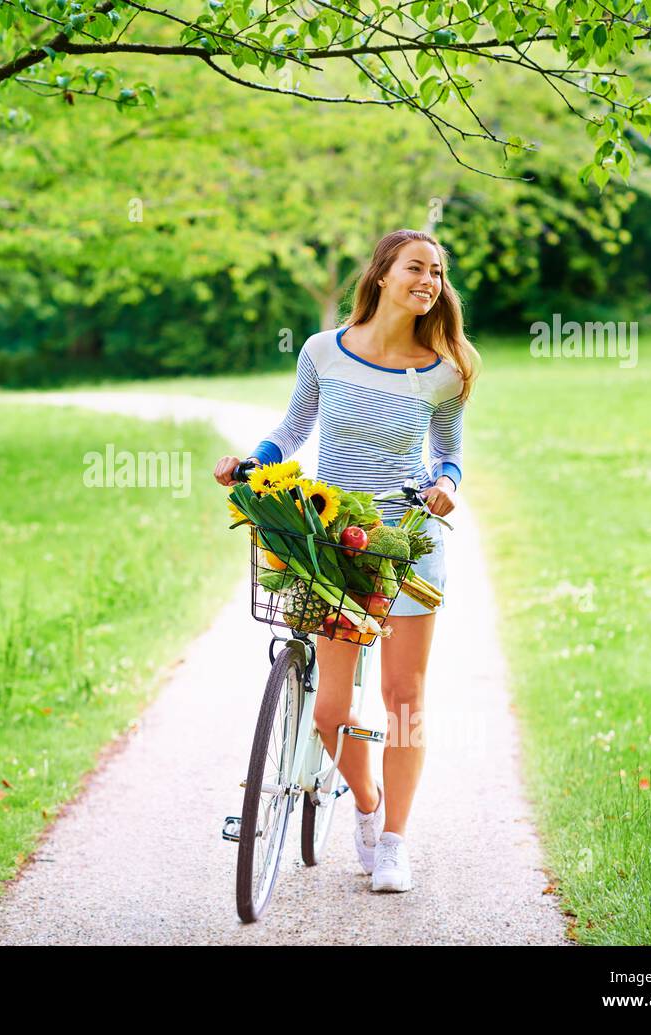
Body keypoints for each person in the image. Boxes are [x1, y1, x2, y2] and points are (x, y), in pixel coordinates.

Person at [214, 229, 480, 892]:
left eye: (437, 272)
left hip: (409, 543)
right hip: (334, 543)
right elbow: (290, 430)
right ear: (383, 274)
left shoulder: (445, 369)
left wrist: (447, 484)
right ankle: (366, 804)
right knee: (331, 709)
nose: (429, 280)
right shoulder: (323, 353)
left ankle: (394, 842)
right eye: (417, 267)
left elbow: (449, 452)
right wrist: (252, 464)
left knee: (403, 695)